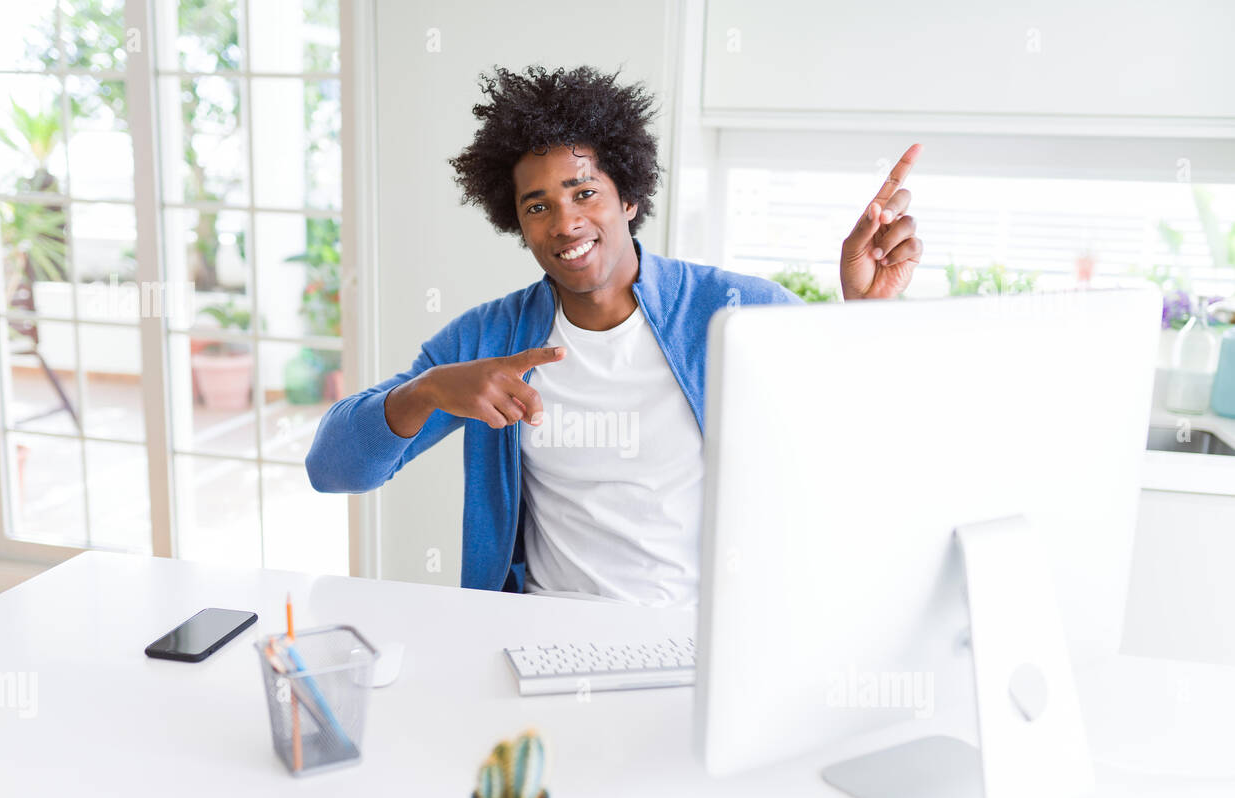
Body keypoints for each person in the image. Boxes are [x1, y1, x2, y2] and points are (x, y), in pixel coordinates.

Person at [306, 65, 923, 606]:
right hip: (542, 635)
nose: (566, 222)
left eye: (584, 192)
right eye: (538, 205)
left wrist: (861, 316)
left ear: (627, 198)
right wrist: (430, 390)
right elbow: (333, 470)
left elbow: (867, 435)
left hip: (699, 642)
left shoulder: (733, 310)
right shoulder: (490, 339)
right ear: (517, 222)